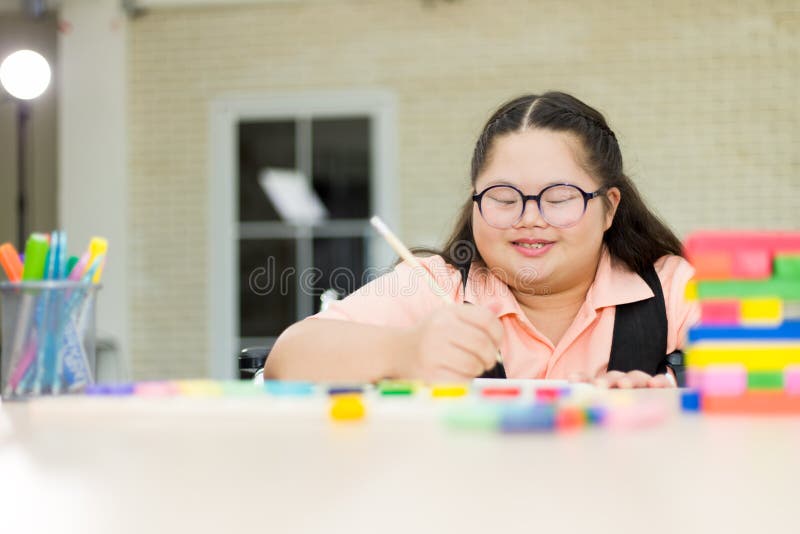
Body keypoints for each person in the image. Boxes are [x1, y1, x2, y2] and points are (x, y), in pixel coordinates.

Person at [265, 91, 698, 388]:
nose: (530, 219)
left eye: (559, 198)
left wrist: (671, 396)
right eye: (504, 198)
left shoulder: (671, 287)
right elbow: (288, 360)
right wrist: (403, 350)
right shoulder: (436, 286)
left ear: (609, 207)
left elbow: (743, 369)